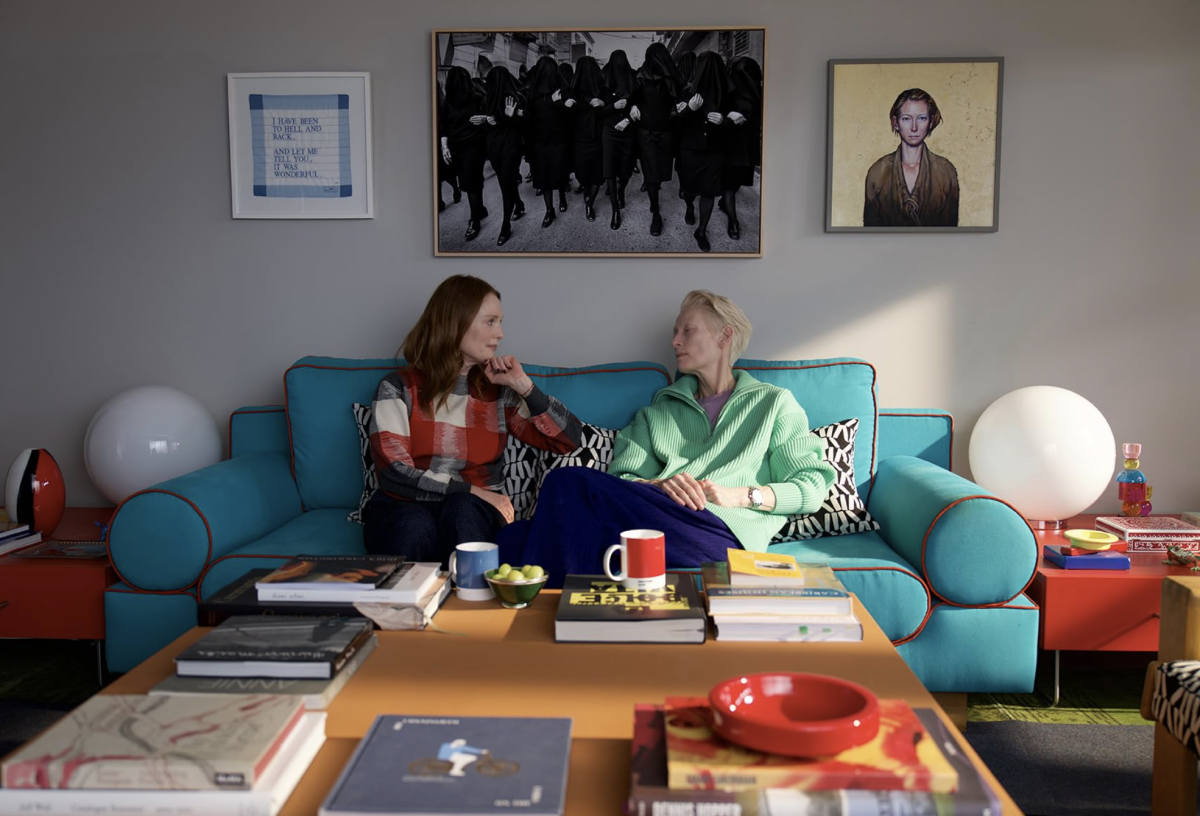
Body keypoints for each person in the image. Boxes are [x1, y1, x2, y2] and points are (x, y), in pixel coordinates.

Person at [498, 290, 836, 586]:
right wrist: (660, 485)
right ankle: (577, 626)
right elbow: (622, 481)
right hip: (658, 522)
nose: (675, 341)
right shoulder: (657, 412)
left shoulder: (773, 403)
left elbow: (811, 486)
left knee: (563, 486)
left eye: (687, 331)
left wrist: (741, 495)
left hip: (723, 535)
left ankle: (549, 629)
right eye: (675, 332)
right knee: (510, 538)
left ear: (724, 337)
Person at [364, 275, 582, 567]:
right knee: (414, 522)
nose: (501, 333)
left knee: (463, 508)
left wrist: (524, 387)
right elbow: (394, 472)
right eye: (490, 321)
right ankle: (410, 608)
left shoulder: (497, 393)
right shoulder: (398, 388)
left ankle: (472, 605)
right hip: (405, 507)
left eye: (500, 321)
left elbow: (567, 440)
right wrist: (471, 489)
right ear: (455, 323)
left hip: (472, 512)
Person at [863, 88, 959, 227]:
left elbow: (951, 233)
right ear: (896, 123)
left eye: (922, 118)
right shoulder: (877, 172)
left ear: (931, 122)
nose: (914, 128)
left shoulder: (946, 172)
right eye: (906, 119)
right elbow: (869, 233)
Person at [675, 52, 734, 252]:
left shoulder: (728, 92)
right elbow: (674, 120)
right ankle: (690, 206)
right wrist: (689, 109)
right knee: (689, 189)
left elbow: (736, 121)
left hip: (715, 149)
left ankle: (701, 230)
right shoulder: (687, 91)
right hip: (691, 148)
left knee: (709, 191)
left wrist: (723, 121)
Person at [631, 42, 685, 237]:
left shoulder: (672, 79)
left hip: (666, 133)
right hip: (646, 133)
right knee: (652, 174)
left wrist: (678, 109)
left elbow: (680, 100)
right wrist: (633, 106)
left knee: (661, 171)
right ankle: (655, 213)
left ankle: (654, 189)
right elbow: (632, 98)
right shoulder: (640, 77)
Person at [440, 67, 488, 241]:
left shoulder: (460, 100)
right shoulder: (455, 101)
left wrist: (444, 147)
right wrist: (445, 148)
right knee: (471, 181)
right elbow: (443, 127)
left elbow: (490, 117)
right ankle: (479, 210)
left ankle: (474, 220)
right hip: (464, 148)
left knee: (469, 182)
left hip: (472, 147)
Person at [483, 66, 528, 246]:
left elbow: (524, 125)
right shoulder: (487, 100)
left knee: (506, 184)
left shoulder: (515, 98)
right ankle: (519, 204)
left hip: (511, 147)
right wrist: (486, 120)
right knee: (505, 181)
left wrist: (511, 116)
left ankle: (505, 226)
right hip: (494, 148)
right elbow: (488, 124)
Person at [524, 56, 570, 227]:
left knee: (558, 173)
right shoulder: (533, 95)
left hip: (558, 141)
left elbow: (570, 119)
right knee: (544, 178)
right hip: (540, 143)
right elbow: (528, 120)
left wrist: (559, 103)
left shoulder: (562, 91)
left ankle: (563, 197)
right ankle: (549, 210)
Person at [720, 56, 762, 241]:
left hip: (749, 145)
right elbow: (715, 113)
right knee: (729, 184)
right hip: (732, 144)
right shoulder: (727, 92)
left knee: (738, 182)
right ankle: (733, 222)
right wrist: (728, 115)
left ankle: (724, 203)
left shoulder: (759, 93)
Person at [564, 56, 607, 222]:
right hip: (581, 140)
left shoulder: (603, 91)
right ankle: (587, 190)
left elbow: (611, 110)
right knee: (583, 174)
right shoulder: (571, 92)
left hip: (595, 139)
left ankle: (590, 204)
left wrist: (603, 104)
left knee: (596, 174)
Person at [600, 49, 639, 231]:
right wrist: (613, 106)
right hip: (609, 132)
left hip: (628, 132)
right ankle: (615, 210)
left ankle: (622, 190)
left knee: (625, 169)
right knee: (609, 170)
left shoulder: (633, 78)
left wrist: (629, 118)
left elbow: (640, 106)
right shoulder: (603, 78)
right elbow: (597, 112)